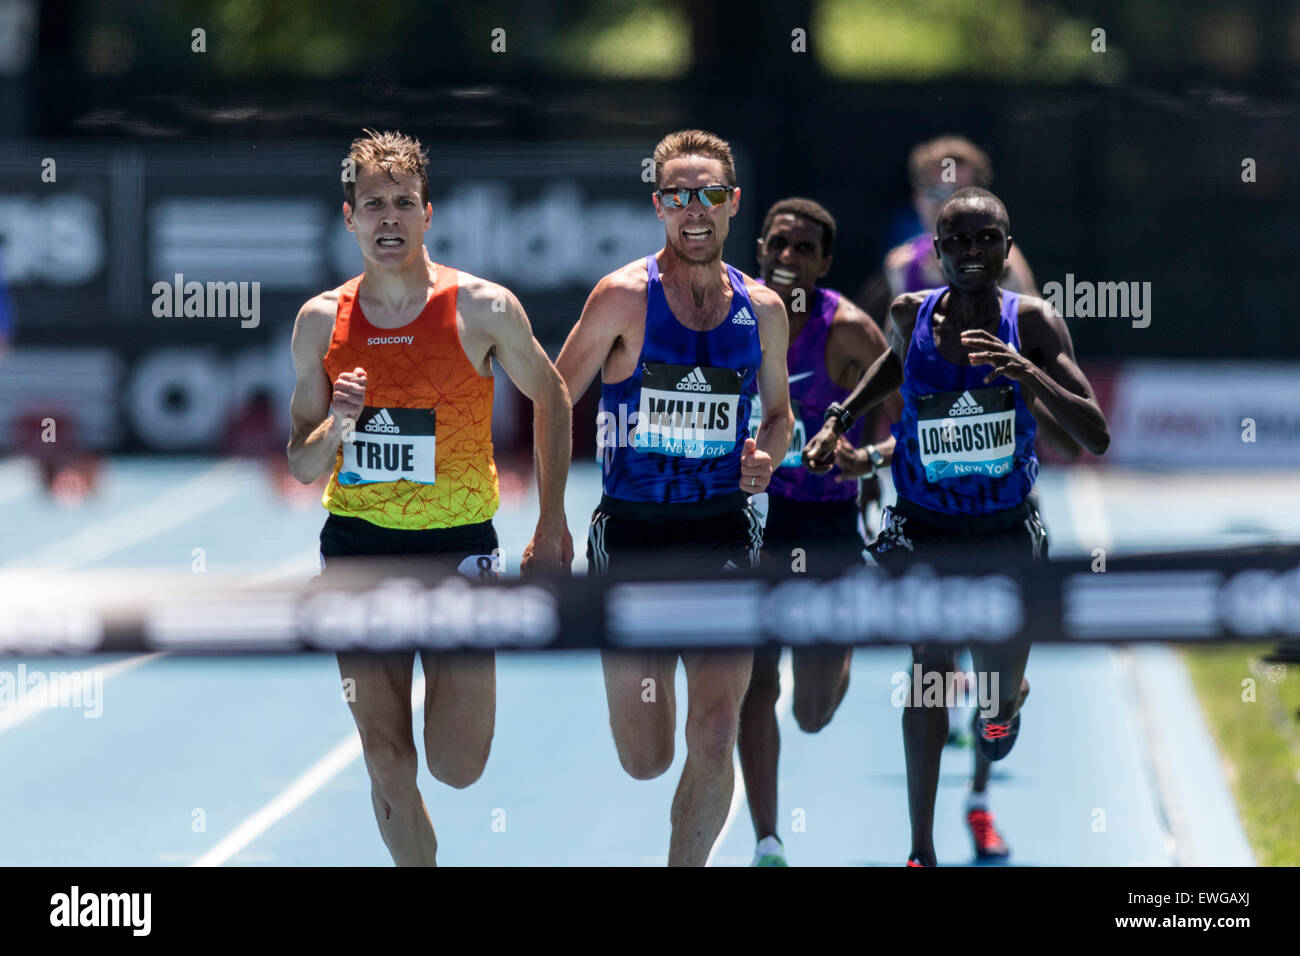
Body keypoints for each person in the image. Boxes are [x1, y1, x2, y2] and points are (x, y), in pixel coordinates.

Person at [286, 129, 572, 866]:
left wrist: (552, 520)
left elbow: (553, 395)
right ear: (347, 218)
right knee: (387, 759)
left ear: (427, 214)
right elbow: (300, 464)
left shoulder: (482, 307)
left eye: (403, 204)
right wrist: (339, 424)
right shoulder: (322, 322)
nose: (389, 219)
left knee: (457, 765)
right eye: (373, 204)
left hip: (459, 553)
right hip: (356, 553)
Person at [804, 187, 1109, 867]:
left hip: (1006, 531)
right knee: (928, 675)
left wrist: (1029, 374)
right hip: (923, 528)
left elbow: (1095, 434)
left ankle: (1004, 706)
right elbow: (895, 365)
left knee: (995, 716)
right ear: (937, 251)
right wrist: (838, 419)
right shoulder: (910, 312)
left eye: (986, 239)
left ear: (1007, 247)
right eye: (958, 241)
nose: (973, 251)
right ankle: (920, 848)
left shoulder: (1030, 322)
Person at [555, 129, 792, 867]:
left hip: (721, 531)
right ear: (659, 206)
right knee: (646, 759)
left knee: (716, 730)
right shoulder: (624, 297)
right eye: (680, 196)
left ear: (733, 204)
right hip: (628, 537)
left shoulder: (765, 309)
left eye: (710, 194)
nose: (696, 210)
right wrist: (548, 525)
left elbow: (780, 413)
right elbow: (553, 399)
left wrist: (768, 458)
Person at [737, 197, 897, 867]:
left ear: (825, 263)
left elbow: (908, 411)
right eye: (778, 244)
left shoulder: (851, 330)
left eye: (804, 249)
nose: (787, 258)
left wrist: (869, 458)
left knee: (810, 712)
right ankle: (768, 840)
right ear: (760, 248)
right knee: (755, 683)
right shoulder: (731, 315)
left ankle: (839, 657)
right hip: (750, 523)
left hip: (827, 522)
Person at [858, 136, 1037, 327]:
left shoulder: (1004, 261)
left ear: (982, 201)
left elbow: (1038, 339)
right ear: (917, 198)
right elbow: (895, 346)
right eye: (934, 193)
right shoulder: (900, 265)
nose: (946, 205)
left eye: (958, 193)